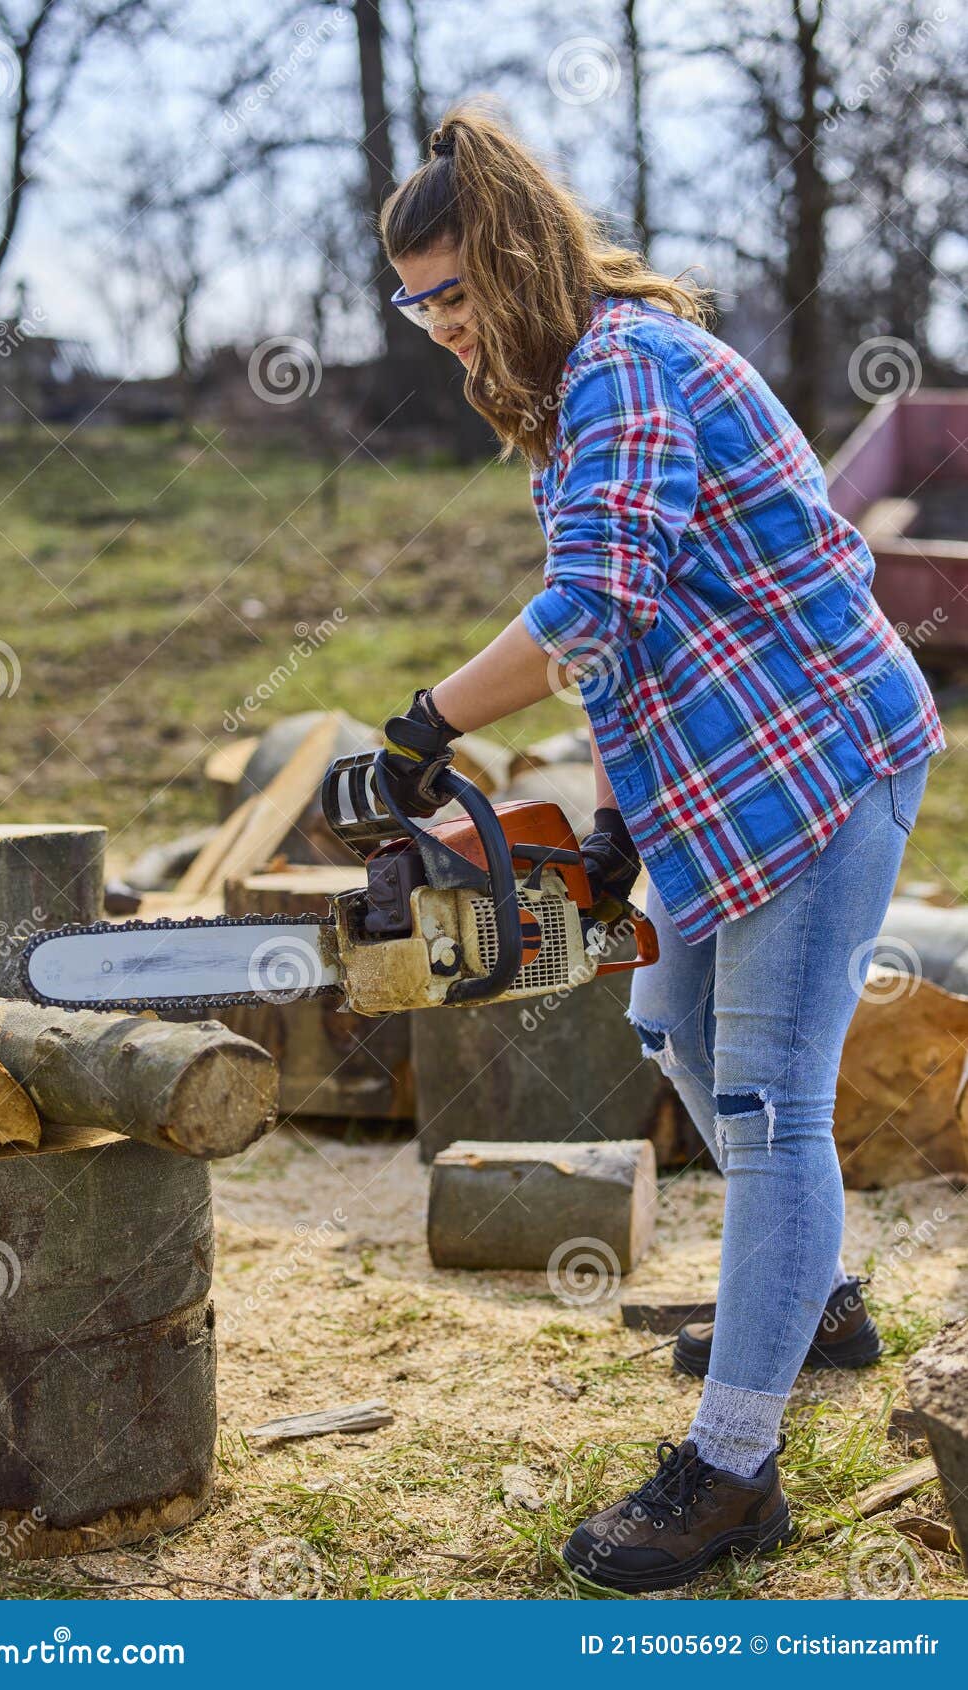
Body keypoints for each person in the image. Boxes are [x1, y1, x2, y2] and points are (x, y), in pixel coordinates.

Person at [376, 101, 945, 1593]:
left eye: (453, 292)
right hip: (723, 775)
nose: (441, 327)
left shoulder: (626, 366)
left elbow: (595, 603)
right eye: (416, 304)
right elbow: (654, 629)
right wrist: (626, 816)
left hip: (821, 762)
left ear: (514, 258)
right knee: (669, 1024)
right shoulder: (577, 393)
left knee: (767, 1099)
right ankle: (816, 1300)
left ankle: (734, 1471)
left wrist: (427, 720)